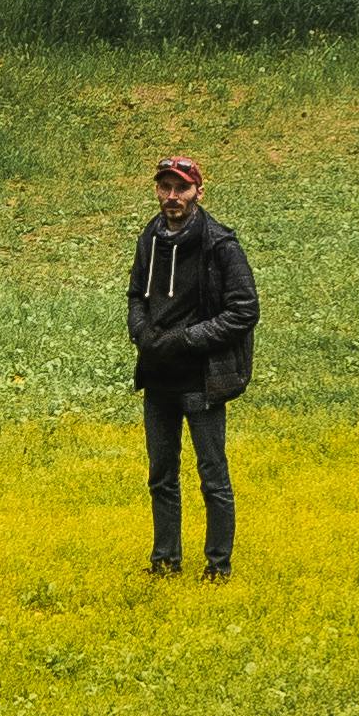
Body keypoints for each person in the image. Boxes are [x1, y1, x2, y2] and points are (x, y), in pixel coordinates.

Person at [126, 150, 258, 579]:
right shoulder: (150, 237)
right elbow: (135, 297)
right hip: (158, 378)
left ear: (199, 191)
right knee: (161, 477)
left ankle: (218, 567)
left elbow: (244, 311)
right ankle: (165, 562)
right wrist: (142, 334)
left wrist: (187, 339)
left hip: (202, 380)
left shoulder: (220, 244)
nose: (172, 195)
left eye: (181, 187)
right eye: (165, 187)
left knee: (212, 478)